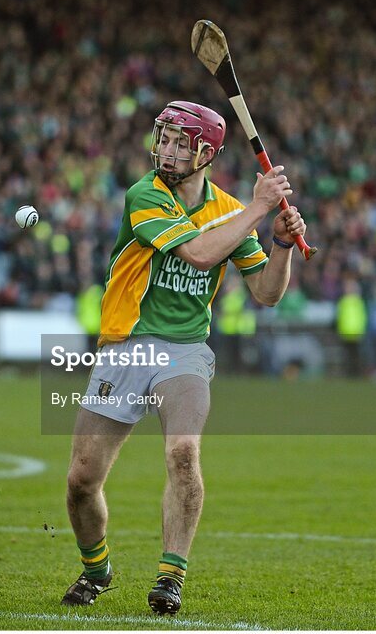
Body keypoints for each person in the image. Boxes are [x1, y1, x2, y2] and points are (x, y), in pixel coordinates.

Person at [60, 102, 307, 615]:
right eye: (164, 139)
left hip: (186, 351)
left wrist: (281, 244)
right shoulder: (144, 194)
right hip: (126, 345)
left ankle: (170, 576)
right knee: (82, 481)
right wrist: (259, 210)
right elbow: (196, 253)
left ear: (207, 153)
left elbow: (266, 292)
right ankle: (97, 568)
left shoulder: (229, 210)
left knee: (182, 453)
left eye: (180, 143)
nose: (166, 151)